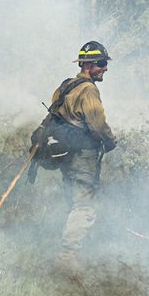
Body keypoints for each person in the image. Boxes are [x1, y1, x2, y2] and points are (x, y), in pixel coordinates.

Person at [52, 41, 117, 261]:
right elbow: (97, 123)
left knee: (72, 202)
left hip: (66, 154)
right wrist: (110, 141)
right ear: (88, 65)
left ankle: (72, 250)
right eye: (101, 63)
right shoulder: (88, 90)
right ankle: (67, 258)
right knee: (84, 206)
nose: (105, 68)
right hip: (82, 155)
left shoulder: (66, 86)